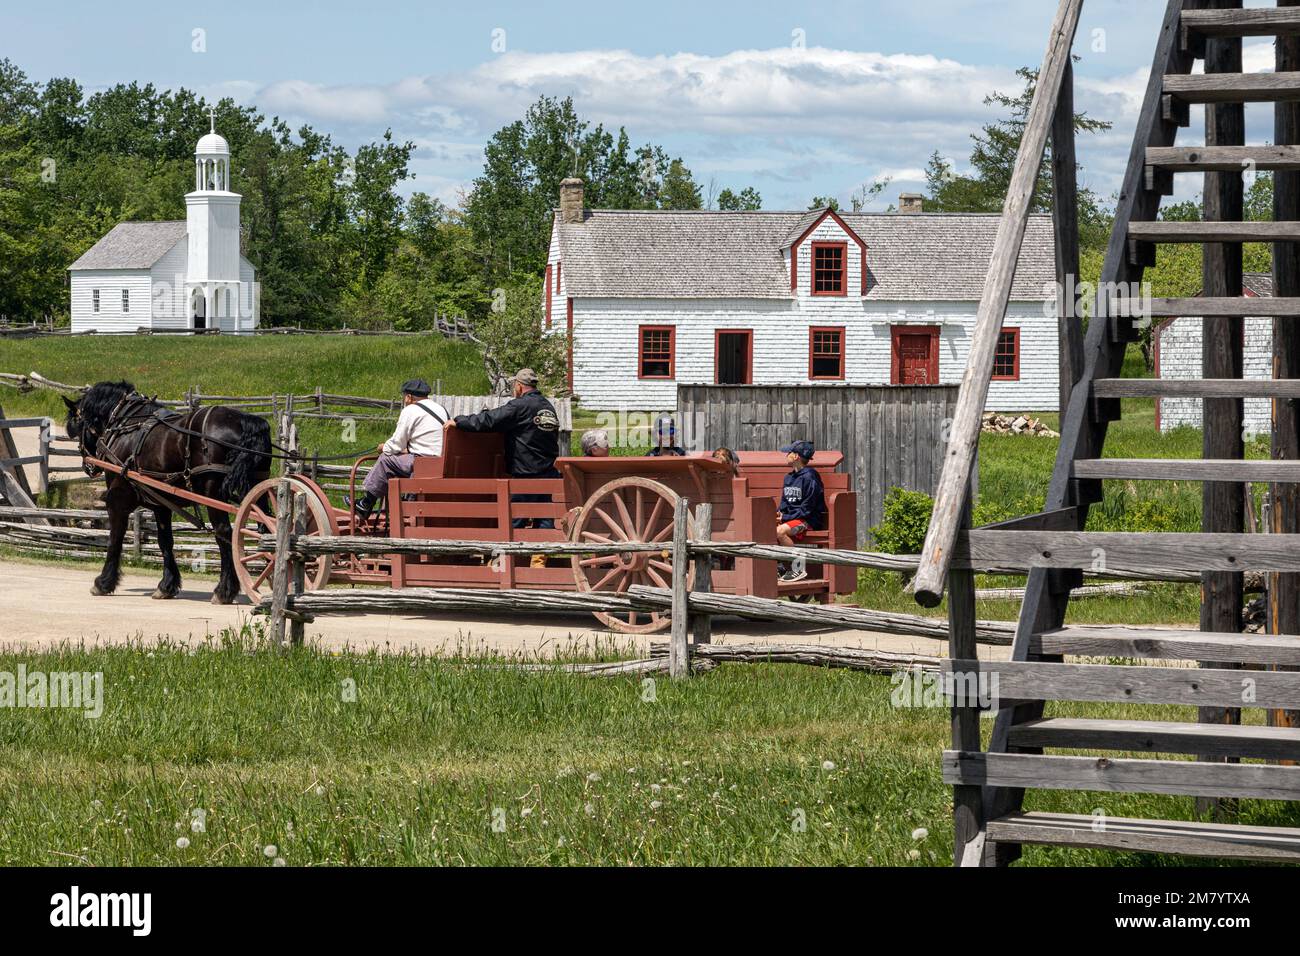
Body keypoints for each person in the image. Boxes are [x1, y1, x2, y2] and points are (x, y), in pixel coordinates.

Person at [448, 369, 561, 550]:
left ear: (518, 386)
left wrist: (459, 421)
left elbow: (490, 420)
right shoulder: (548, 406)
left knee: (515, 520)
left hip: (526, 474)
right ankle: (539, 565)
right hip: (548, 473)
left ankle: (506, 564)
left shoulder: (519, 406)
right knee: (544, 519)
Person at [351, 378, 449, 524]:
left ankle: (366, 503)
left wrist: (383, 447)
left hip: (422, 463)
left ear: (409, 397)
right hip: (439, 464)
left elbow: (396, 444)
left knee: (386, 459)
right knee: (396, 460)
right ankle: (379, 503)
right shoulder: (441, 409)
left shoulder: (411, 410)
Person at [776, 440, 826, 583]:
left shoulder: (810, 477)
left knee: (780, 532)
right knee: (766, 529)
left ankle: (798, 568)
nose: (786, 455)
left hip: (808, 520)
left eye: (789, 453)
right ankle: (779, 567)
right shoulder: (789, 478)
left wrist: (787, 517)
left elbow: (807, 509)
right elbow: (784, 502)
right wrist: (780, 513)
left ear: (796, 456)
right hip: (792, 518)